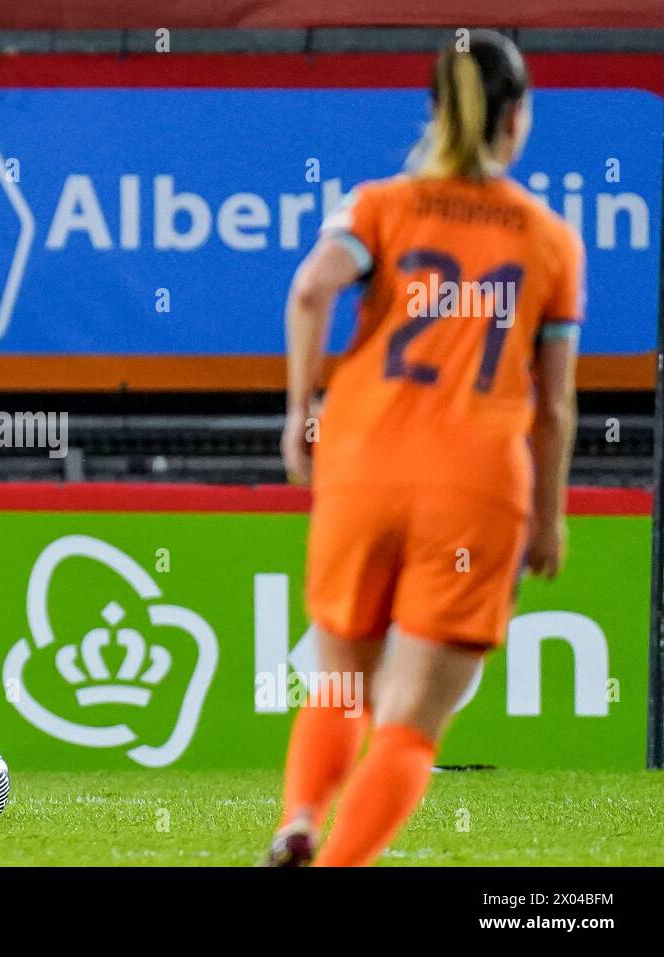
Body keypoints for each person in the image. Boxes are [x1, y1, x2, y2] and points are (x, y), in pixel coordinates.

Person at [263, 30, 583, 866]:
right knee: (410, 717)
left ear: (435, 111)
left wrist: (301, 409)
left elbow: (309, 286)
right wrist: (549, 517)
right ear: (515, 120)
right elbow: (553, 405)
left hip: (364, 463)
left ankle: (298, 820)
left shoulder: (381, 205)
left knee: (338, 677)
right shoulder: (548, 239)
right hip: (477, 486)